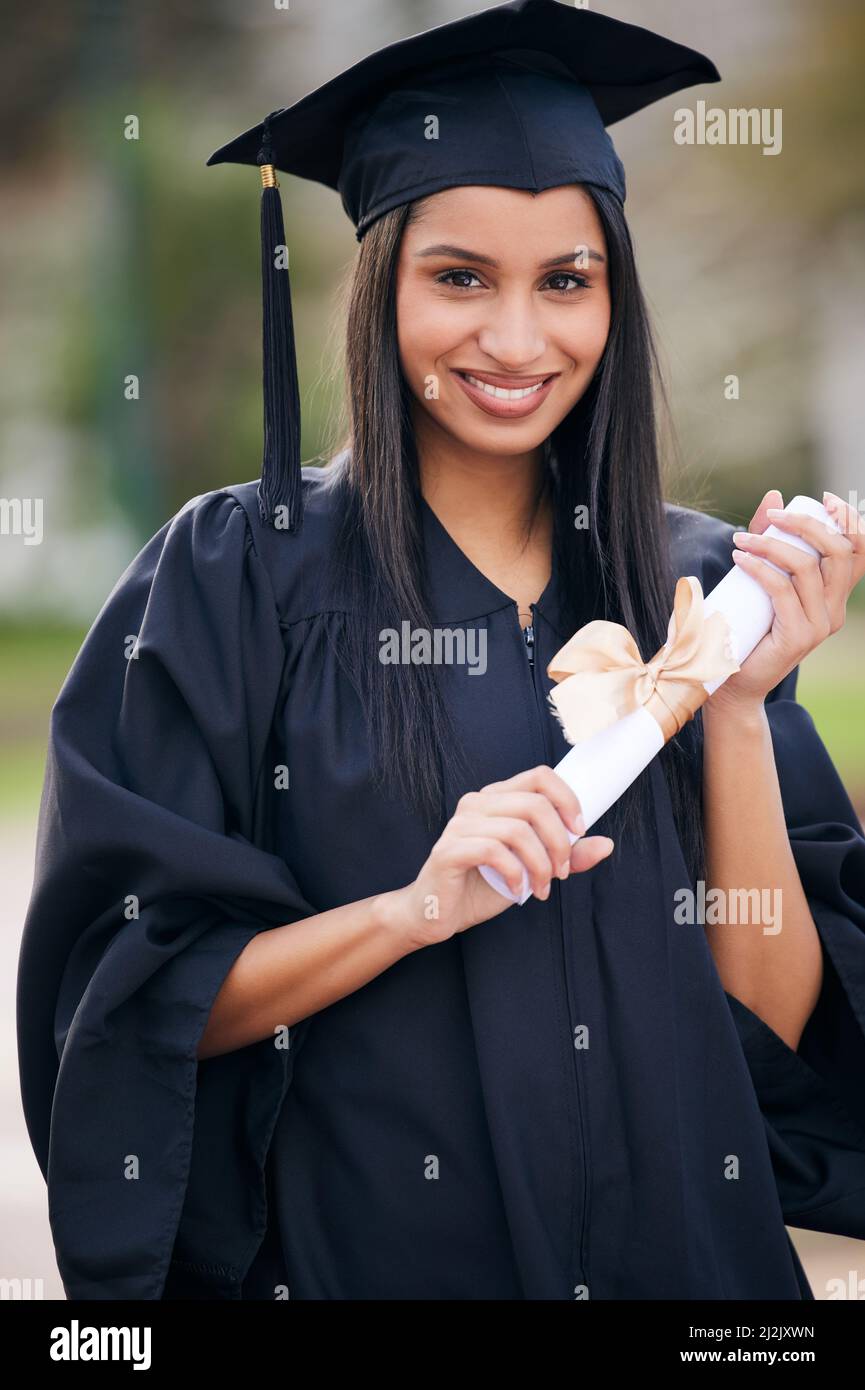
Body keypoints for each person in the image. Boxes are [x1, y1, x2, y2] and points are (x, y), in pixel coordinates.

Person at [17, 0, 865, 1301]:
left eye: (565, 282)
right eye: (459, 276)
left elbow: (775, 1023)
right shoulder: (235, 580)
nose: (516, 342)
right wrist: (409, 911)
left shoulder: (695, 585)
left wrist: (739, 709)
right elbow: (128, 1001)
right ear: (381, 284)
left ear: (613, 296)